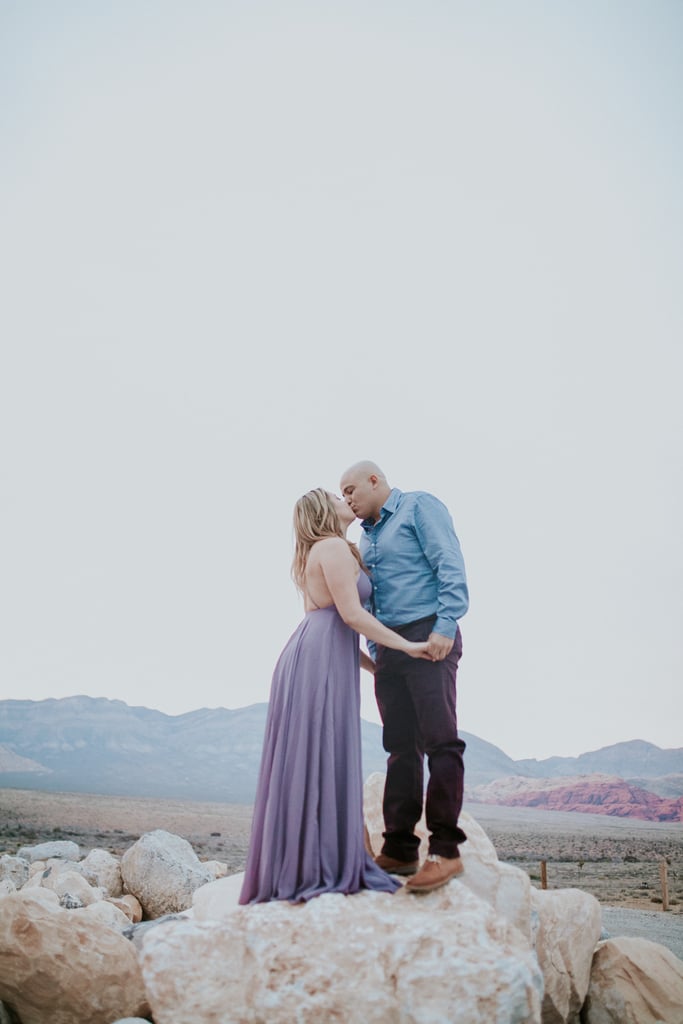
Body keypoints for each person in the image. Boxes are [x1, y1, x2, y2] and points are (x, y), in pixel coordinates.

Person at [239, 487, 432, 904]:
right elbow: (351, 615)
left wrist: (371, 664)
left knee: (316, 755)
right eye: (336, 496)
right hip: (318, 661)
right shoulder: (332, 546)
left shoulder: (317, 551)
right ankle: (322, 863)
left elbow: (331, 623)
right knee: (322, 753)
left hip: (314, 656)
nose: (346, 499)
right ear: (325, 511)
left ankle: (310, 859)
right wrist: (407, 646)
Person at [339, 461, 469, 893]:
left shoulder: (418, 508)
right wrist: (378, 651)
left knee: (441, 742)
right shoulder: (365, 536)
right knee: (399, 748)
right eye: (343, 495)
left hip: (428, 634)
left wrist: (445, 627)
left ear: (375, 480)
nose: (348, 500)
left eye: (351, 489)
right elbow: (372, 602)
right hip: (392, 649)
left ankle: (445, 852)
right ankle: (399, 847)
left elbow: (448, 563)